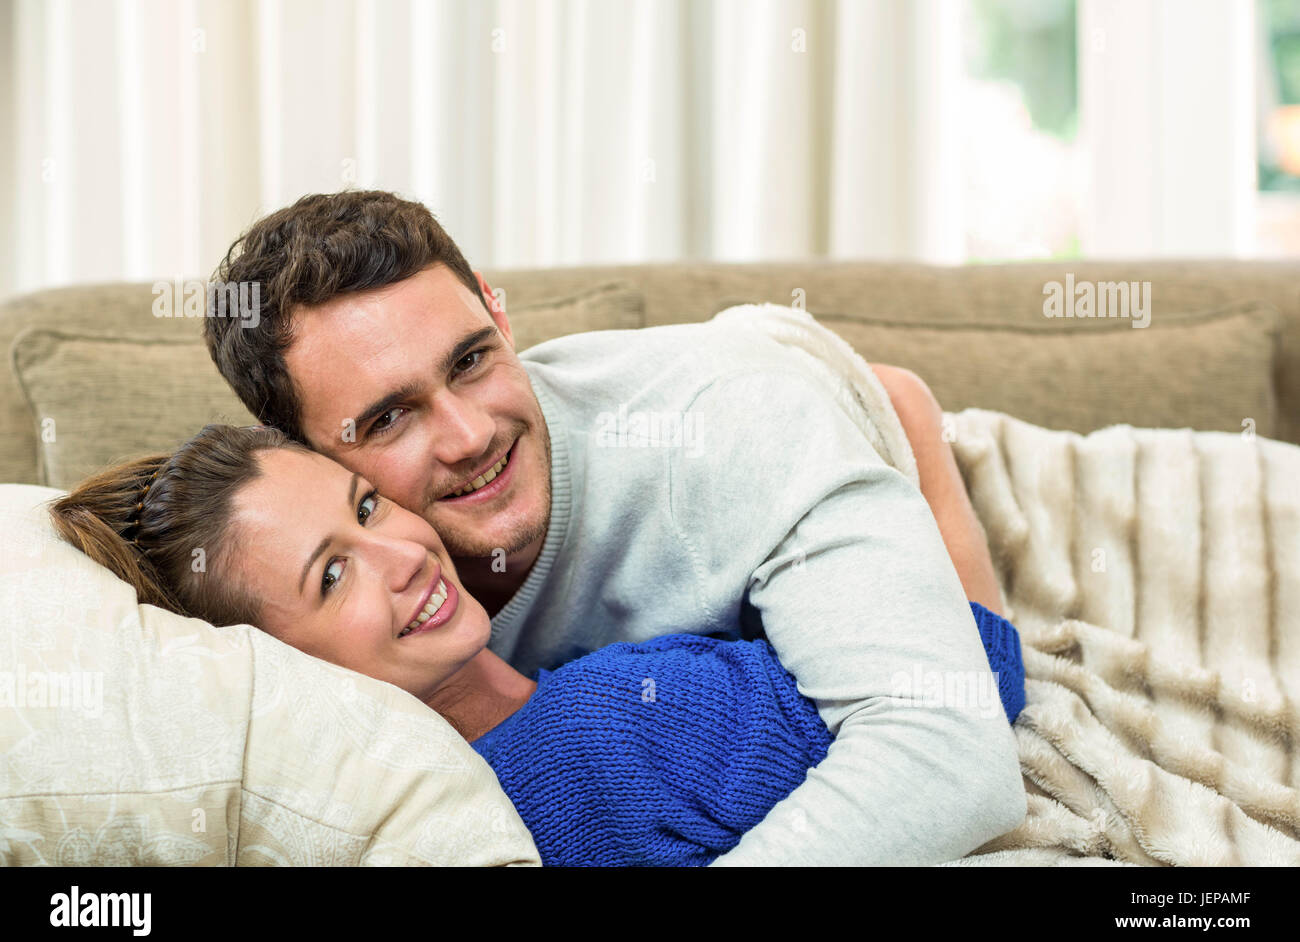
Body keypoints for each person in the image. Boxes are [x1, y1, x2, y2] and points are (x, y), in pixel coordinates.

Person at [201, 190, 1026, 865]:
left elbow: (952, 756)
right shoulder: (301, 587)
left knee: (991, 674)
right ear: (308, 457)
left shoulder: (737, 433)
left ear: (498, 310)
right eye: (389, 419)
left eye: (470, 359)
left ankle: (905, 410)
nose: (468, 436)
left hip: (802, 401)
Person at [48, 424, 1024, 866]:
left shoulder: (518, 755)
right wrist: (916, 436)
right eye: (332, 573)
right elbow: (975, 678)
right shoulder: (593, 734)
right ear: (280, 666)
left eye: (367, 503)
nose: (401, 553)